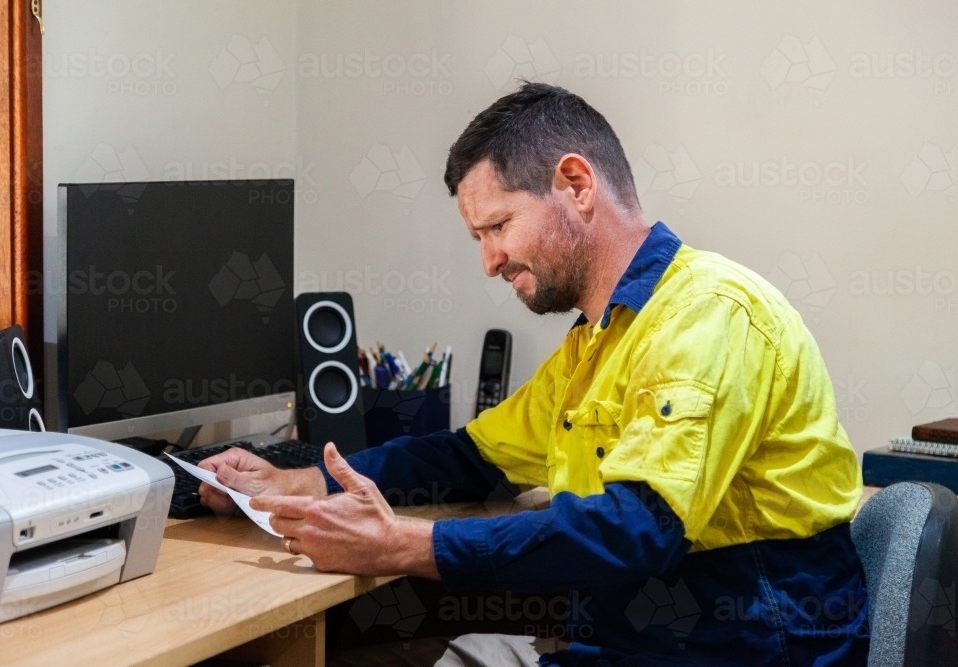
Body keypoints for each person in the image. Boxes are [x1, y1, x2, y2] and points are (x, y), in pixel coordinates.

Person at [198, 83, 869, 666]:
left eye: (498, 226)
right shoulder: (596, 342)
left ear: (577, 185)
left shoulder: (707, 315)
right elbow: (468, 456)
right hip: (640, 633)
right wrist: (301, 480)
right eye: (478, 239)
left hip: (747, 645)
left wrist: (404, 543)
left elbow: (633, 531)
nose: (489, 261)